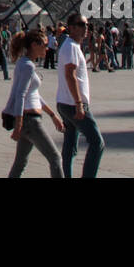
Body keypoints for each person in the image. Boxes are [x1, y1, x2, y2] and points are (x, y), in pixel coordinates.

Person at [4, 28, 66, 178]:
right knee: (55, 158)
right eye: (44, 45)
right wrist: (18, 125)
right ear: (33, 45)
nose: (47, 48)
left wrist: (52, 115)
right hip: (30, 121)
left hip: (28, 120)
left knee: (20, 163)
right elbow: (21, 95)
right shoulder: (28, 66)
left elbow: (34, 94)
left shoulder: (24, 63)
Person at [56, 13, 105, 178]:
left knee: (70, 146)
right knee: (97, 142)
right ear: (71, 27)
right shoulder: (70, 47)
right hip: (73, 104)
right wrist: (79, 103)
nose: (86, 28)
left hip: (65, 102)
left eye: (87, 24)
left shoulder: (71, 46)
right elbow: (70, 75)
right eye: (82, 24)